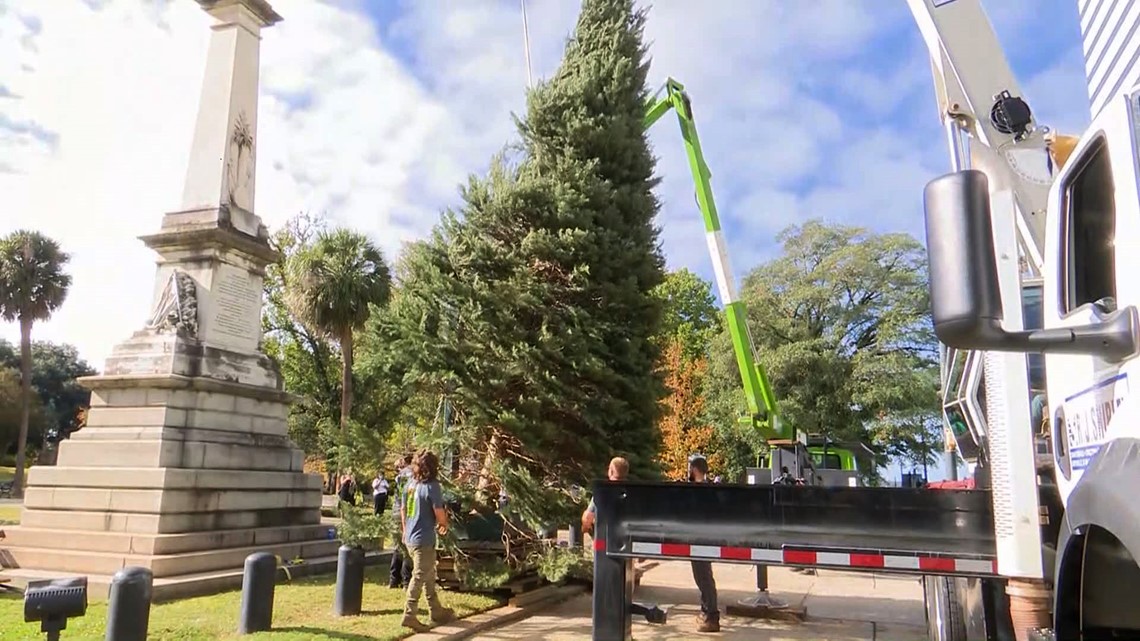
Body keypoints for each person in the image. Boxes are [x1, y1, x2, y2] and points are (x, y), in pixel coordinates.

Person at [401, 450, 455, 632]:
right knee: (419, 575)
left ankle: (436, 611)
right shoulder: (432, 486)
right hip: (423, 538)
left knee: (428, 573)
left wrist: (404, 530)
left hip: (410, 537)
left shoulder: (409, 484)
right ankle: (409, 615)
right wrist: (444, 524)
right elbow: (439, 512)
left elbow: (403, 509)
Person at [688, 454, 720, 633]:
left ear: (694, 469)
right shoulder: (710, 490)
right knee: (704, 575)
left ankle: (711, 615)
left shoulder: (695, 491)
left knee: (703, 576)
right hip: (704, 536)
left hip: (699, 538)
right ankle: (706, 610)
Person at [389, 454, 414, 588]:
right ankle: (406, 580)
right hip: (406, 512)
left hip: (396, 511)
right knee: (406, 547)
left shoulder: (399, 476)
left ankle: (393, 579)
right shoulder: (412, 475)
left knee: (397, 546)